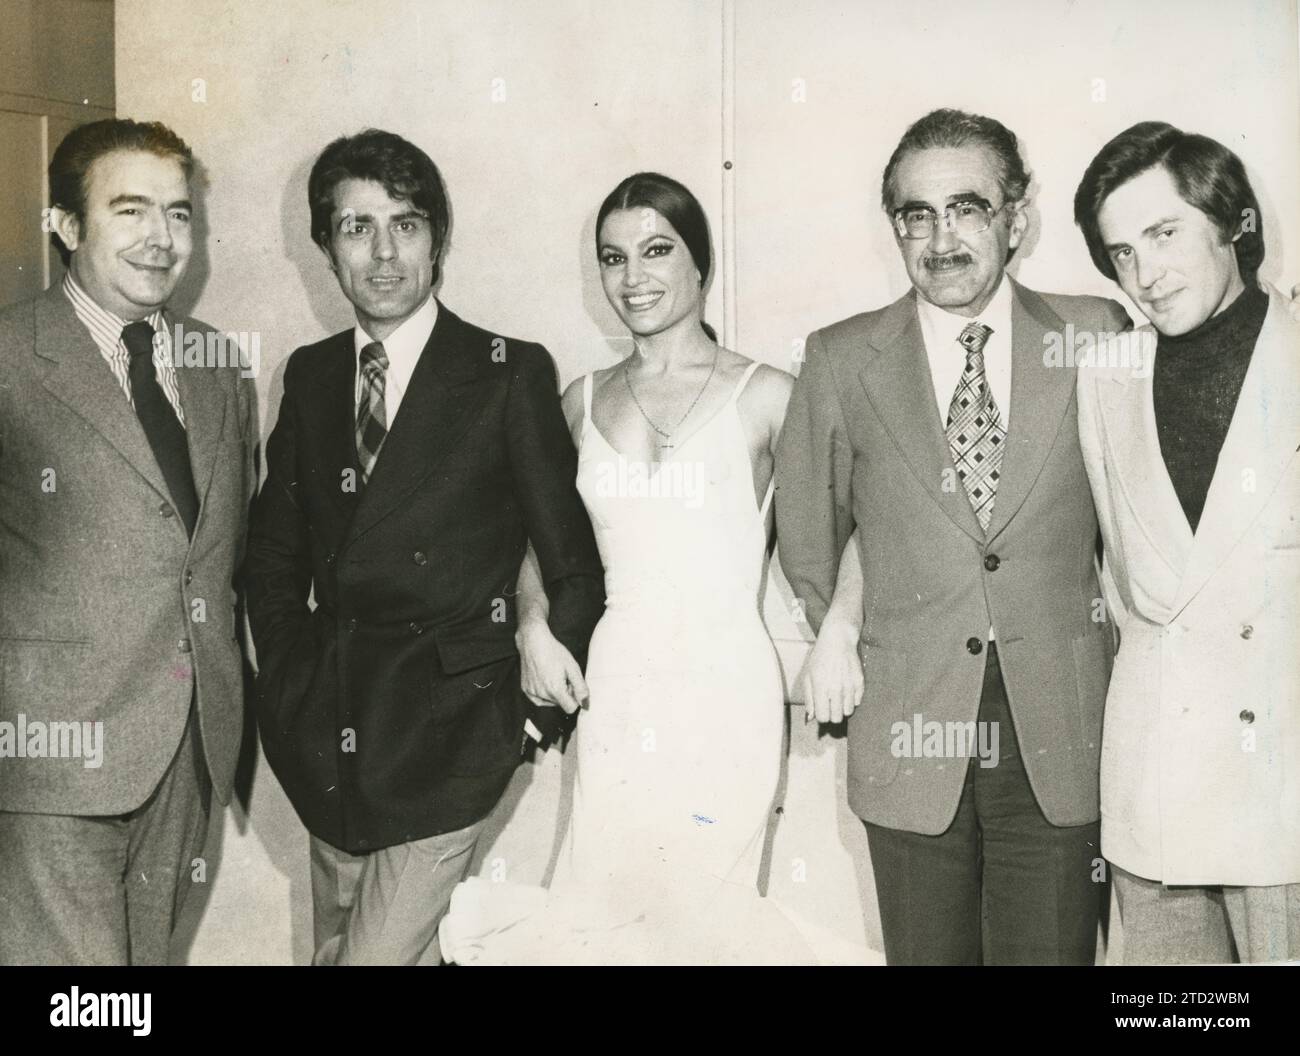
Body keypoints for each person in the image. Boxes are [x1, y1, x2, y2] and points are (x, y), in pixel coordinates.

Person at [244, 129, 605, 965]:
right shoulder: (311, 374)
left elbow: (573, 565)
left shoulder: (507, 372)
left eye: (405, 225)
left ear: (438, 239)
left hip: (450, 739)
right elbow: (272, 559)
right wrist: (293, 684)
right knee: (339, 951)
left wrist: (523, 717)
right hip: (329, 734)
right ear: (325, 247)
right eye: (355, 226)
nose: (382, 254)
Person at [777, 109, 1129, 965]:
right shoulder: (839, 358)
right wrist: (865, 638)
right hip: (909, 733)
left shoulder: (1098, 336)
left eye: (967, 208)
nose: (942, 237)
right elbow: (811, 534)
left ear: (1017, 216)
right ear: (894, 226)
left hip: (1062, 731)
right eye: (916, 214)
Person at [438, 172, 815, 964]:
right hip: (619, 687)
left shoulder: (771, 397)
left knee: (706, 920)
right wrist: (534, 626)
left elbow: (851, 536)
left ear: (699, 263)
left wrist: (839, 634)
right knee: (606, 914)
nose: (633, 277)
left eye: (656, 251)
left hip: (727, 692)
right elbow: (542, 548)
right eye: (613, 259)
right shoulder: (578, 402)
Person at [0, 119, 256, 964]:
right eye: (130, 210)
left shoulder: (217, 364)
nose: (161, 239)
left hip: (187, 752)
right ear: (68, 227)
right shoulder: (9, 356)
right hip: (50, 758)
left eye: (179, 214)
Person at [1073, 123, 1300, 963]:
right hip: (1156, 784)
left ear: (1231, 219)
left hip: (1283, 781)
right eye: (1121, 252)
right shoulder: (1104, 377)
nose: (1144, 274)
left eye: (1162, 234)